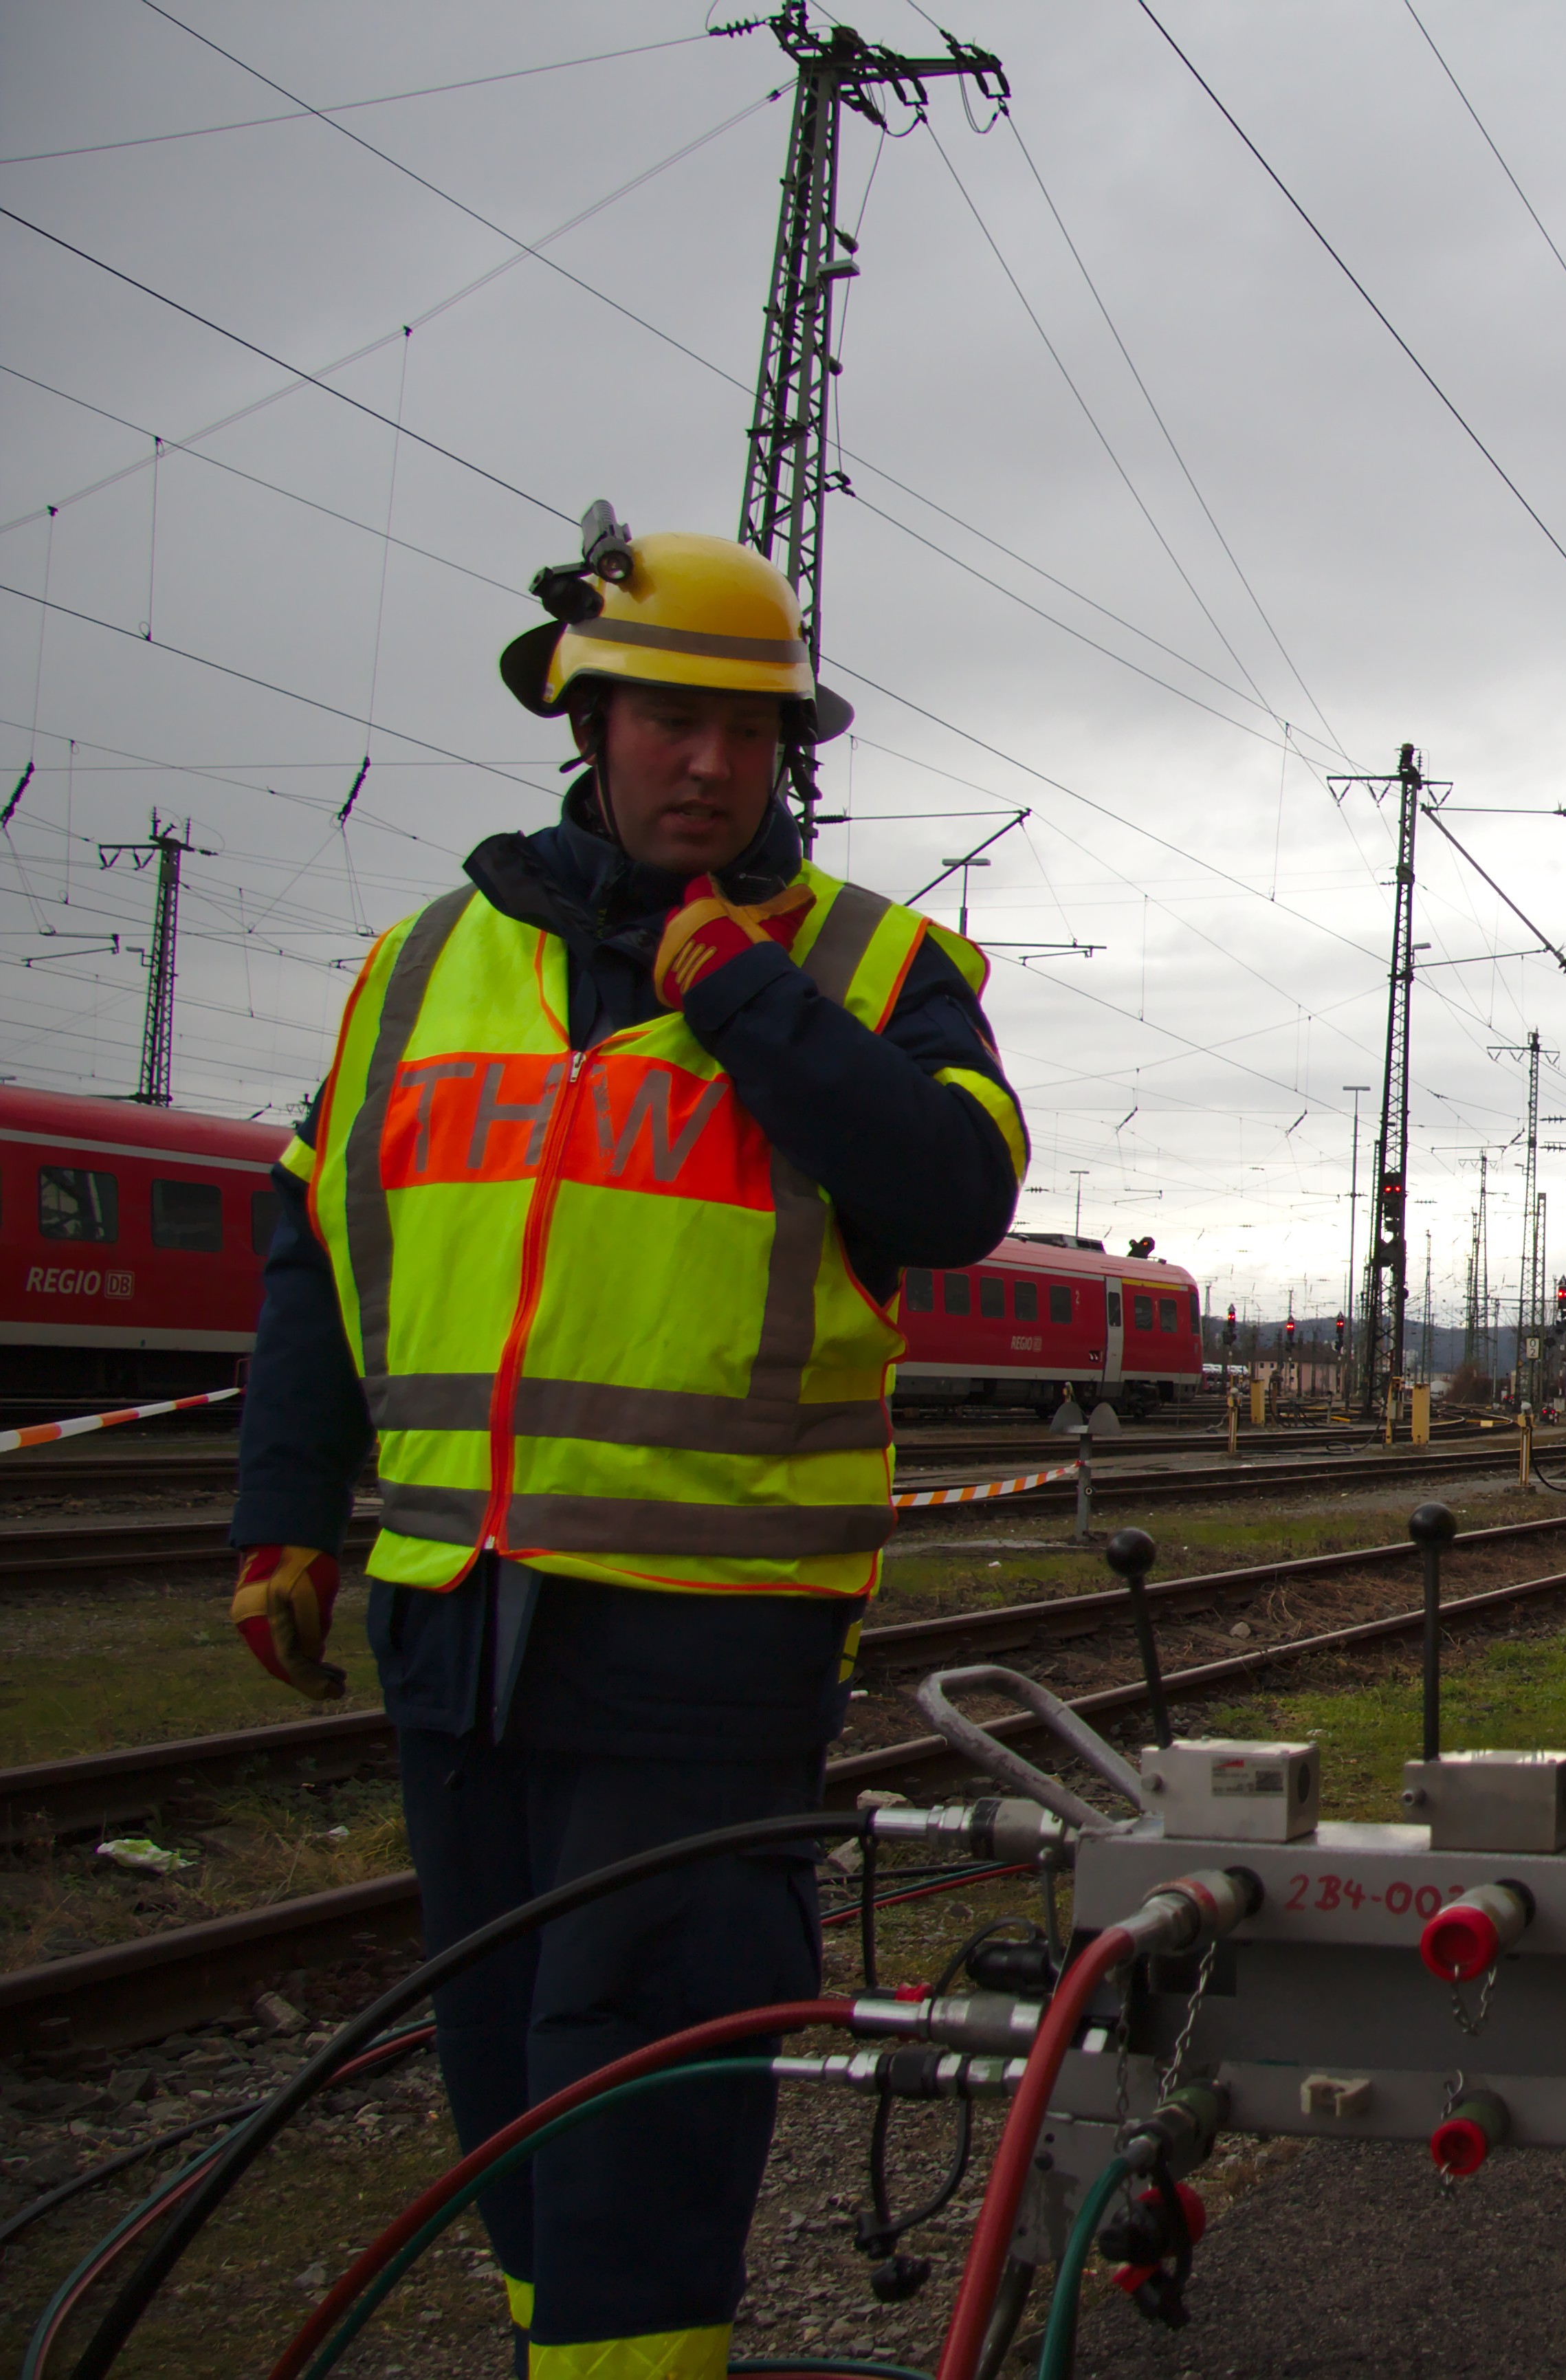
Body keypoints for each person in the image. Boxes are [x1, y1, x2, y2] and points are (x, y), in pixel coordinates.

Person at [228, 504, 1028, 2380]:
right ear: (584, 725)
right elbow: (318, 1248)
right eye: (670, 721)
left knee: (645, 2061)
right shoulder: (416, 970)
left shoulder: (874, 966)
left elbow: (951, 1190)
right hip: (455, 1616)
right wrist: (284, 1511)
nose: (709, 764)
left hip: (705, 1633)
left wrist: (736, 988)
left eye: (750, 732)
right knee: (503, 2054)